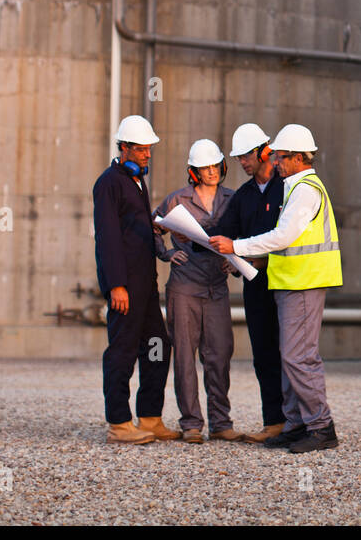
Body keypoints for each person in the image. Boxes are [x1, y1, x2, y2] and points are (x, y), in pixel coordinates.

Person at [211, 124, 341, 453]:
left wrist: (237, 247)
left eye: (281, 157)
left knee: (300, 357)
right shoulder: (293, 187)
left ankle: (321, 427)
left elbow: (283, 236)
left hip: (303, 283)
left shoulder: (305, 190)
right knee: (290, 357)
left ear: (299, 158)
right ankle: (296, 425)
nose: (276, 162)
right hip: (291, 282)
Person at [93, 115, 179, 444]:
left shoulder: (136, 182)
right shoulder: (109, 183)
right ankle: (118, 423)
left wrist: (154, 225)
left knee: (158, 346)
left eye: (149, 149)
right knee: (122, 352)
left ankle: (150, 417)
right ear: (125, 148)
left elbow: (130, 228)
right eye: (142, 149)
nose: (148, 155)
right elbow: (108, 237)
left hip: (144, 285)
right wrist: (116, 285)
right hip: (125, 286)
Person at [153, 138, 239, 443]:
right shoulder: (176, 200)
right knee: (185, 356)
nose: (212, 171)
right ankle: (191, 423)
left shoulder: (233, 199)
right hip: (184, 287)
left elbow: (244, 238)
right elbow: (154, 228)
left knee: (219, 354)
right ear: (194, 171)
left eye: (216, 165)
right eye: (205, 167)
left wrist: (236, 263)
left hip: (217, 286)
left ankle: (220, 422)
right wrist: (166, 254)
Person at [210, 124, 285, 443]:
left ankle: (300, 420)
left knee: (292, 354)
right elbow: (227, 233)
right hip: (256, 287)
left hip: (288, 283)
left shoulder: (289, 188)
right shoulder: (242, 197)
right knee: (264, 353)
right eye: (238, 158)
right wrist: (229, 256)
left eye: (245, 156)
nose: (242, 163)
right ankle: (275, 422)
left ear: (264, 151)